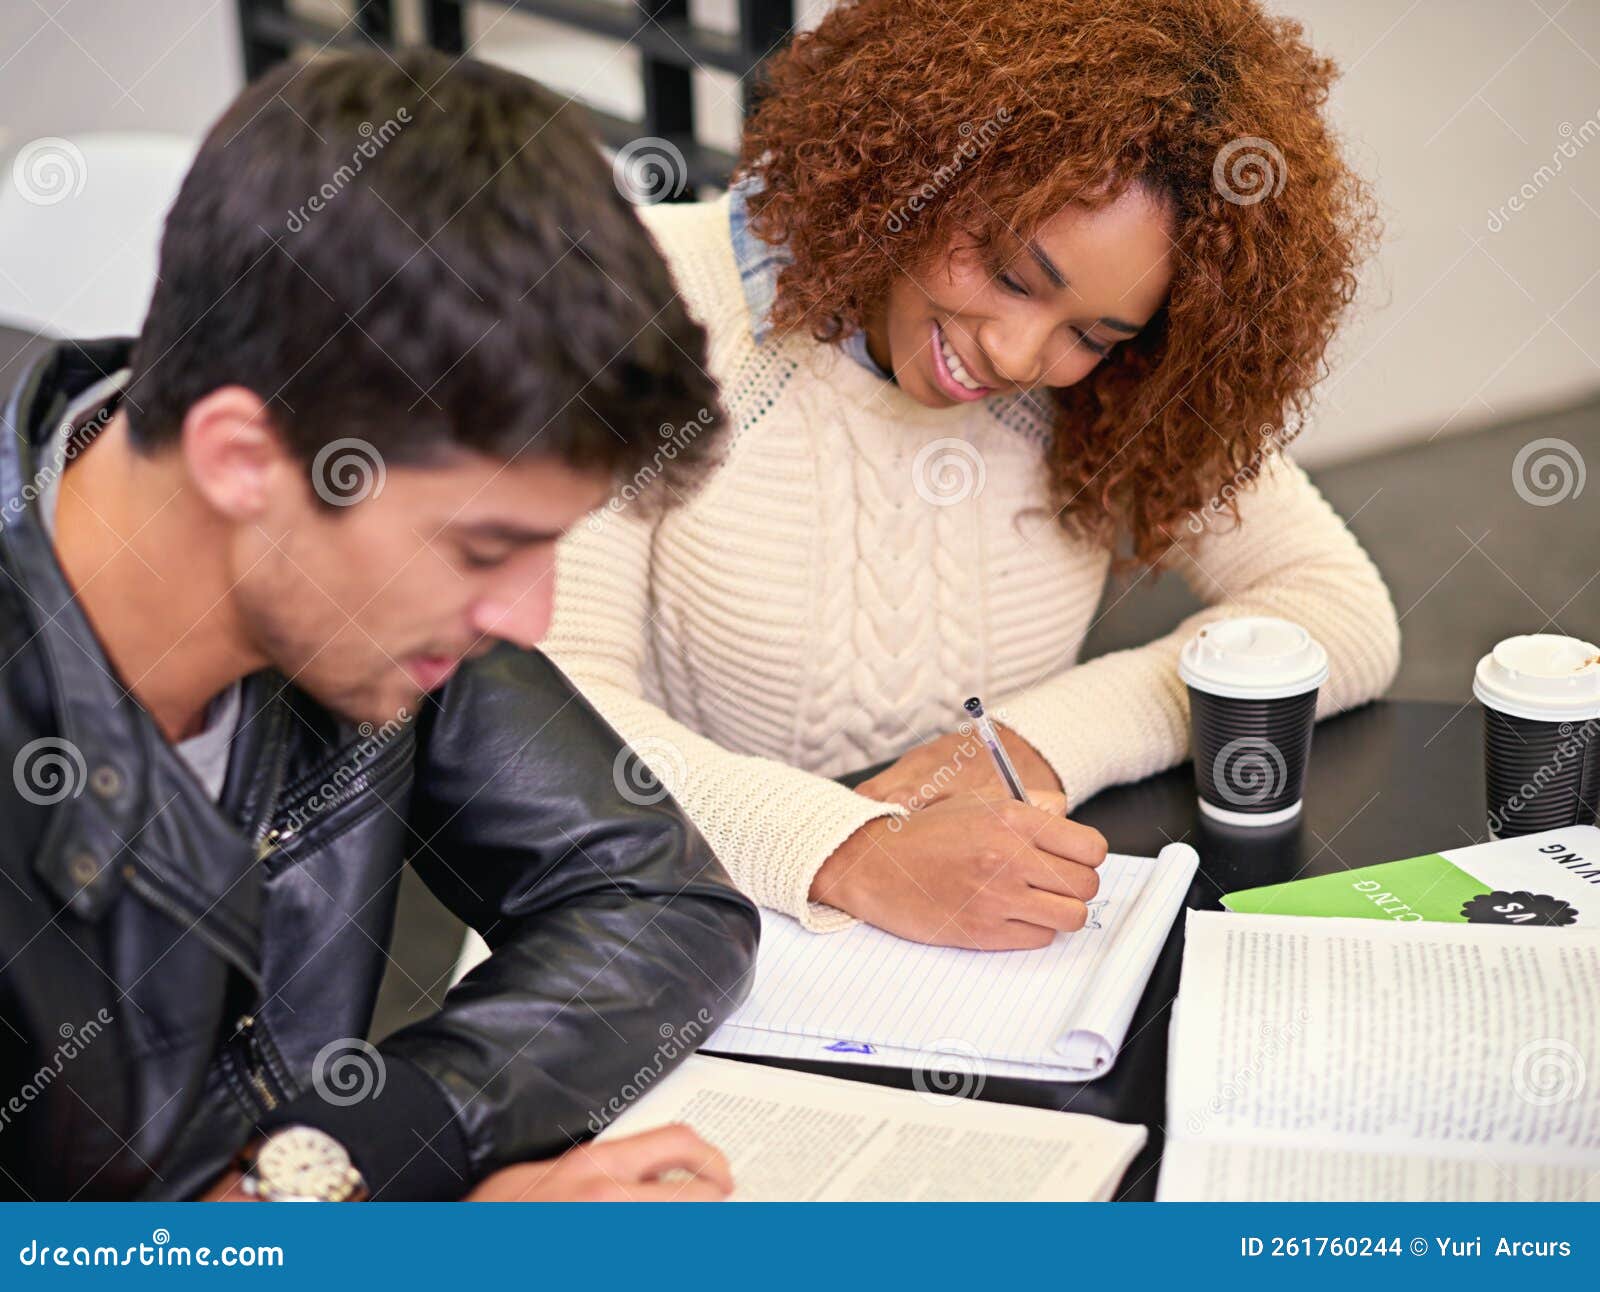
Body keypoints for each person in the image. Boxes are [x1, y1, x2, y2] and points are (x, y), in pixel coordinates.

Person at [0, 50, 757, 1201]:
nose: (528, 613)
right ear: (241, 459)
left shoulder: (345, 573)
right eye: (485, 546)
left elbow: (657, 901)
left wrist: (343, 1169)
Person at [543, 0, 1402, 948]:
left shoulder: (1122, 391)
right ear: (922, 161)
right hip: (658, 917)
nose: (1018, 355)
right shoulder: (636, 295)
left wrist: (1043, 739)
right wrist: (850, 850)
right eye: (1009, 272)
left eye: (1090, 333)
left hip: (960, 953)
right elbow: (547, 714)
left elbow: (1336, 611)